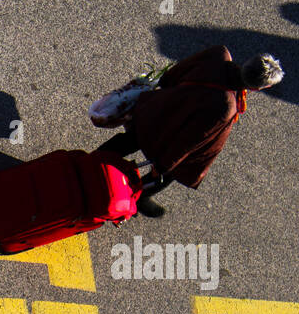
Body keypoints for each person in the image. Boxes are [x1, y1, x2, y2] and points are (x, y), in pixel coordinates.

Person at [97, 46, 283, 217]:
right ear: (258, 88)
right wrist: (162, 166)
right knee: (175, 170)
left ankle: (93, 160)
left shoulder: (218, 55)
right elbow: (189, 142)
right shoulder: (226, 107)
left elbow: (176, 72)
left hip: (156, 110)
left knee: (132, 138)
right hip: (170, 136)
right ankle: (137, 196)